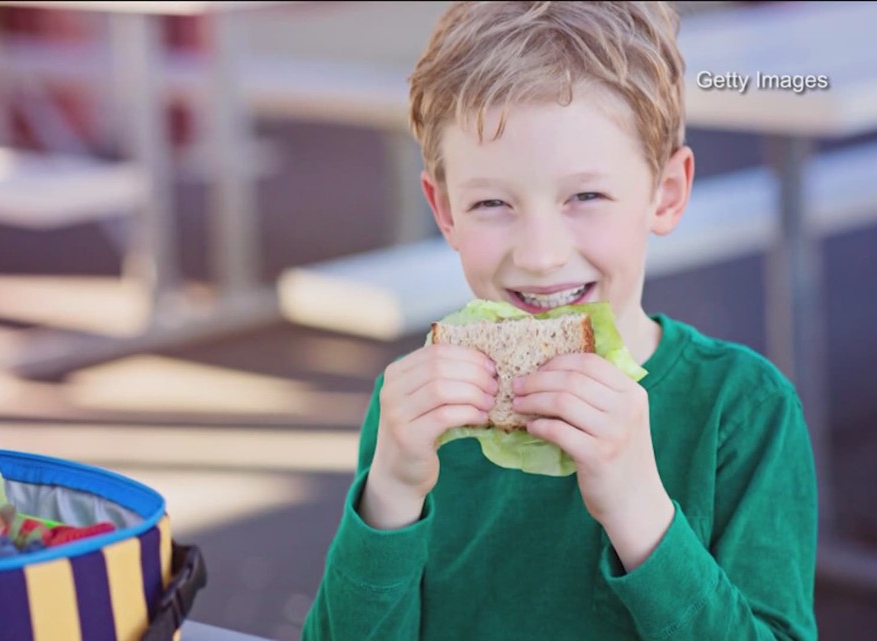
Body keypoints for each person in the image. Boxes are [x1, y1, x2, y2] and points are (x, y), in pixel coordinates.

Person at [300, 2, 818, 640]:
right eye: (491, 202)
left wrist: (640, 511)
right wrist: (391, 494)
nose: (541, 255)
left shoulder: (742, 410)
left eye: (586, 196)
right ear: (444, 211)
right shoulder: (415, 411)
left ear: (666, 192)